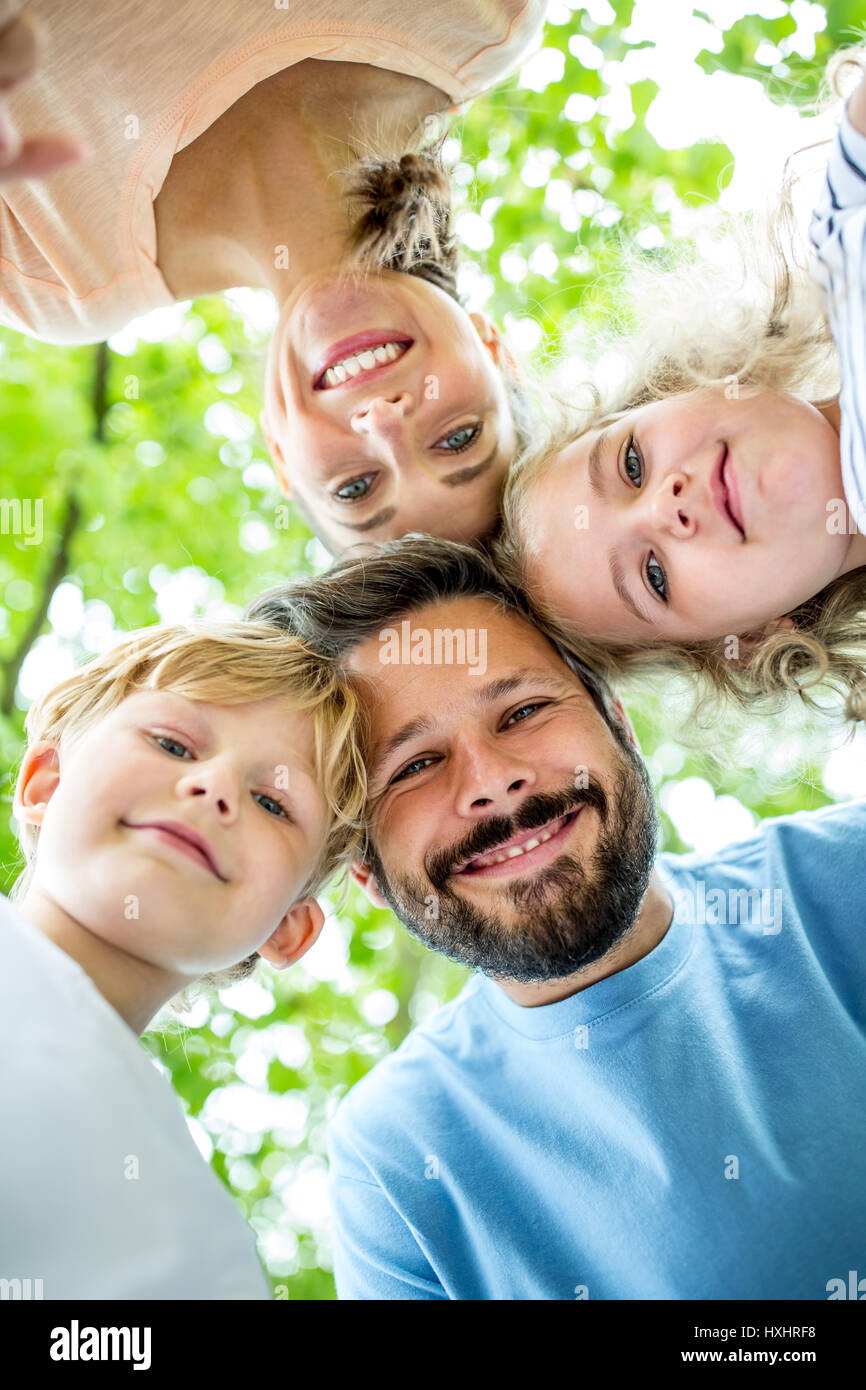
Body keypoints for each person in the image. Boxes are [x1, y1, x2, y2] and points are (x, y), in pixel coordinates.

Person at [248, 535, 866, 1300]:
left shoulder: (847, 879)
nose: (494, 782)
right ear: (365, 869)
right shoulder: (400, 1161)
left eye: (524, 710)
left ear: (619, 723)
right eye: (412, 766)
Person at [0, 0, 545, 551]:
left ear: (279, 454)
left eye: (355, 488)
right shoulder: (486, 17)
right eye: (460, 439)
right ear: (494, 349)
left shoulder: (46, 274)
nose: (381, 421)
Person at [491, 49, 866, 726]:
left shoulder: (848, 218)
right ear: (751, 637)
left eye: (632, 464)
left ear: (682, 387)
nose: (666, 506)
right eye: (654, 576)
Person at [0, 619, 365, 1298]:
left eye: (272, 803)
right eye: (172, 743)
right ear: (44, 783)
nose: (216, 788)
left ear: (285, 929)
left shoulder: (200, 1252)